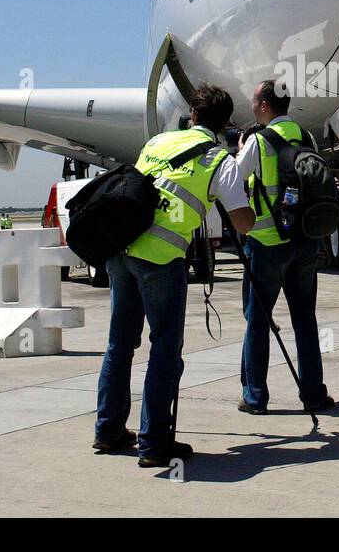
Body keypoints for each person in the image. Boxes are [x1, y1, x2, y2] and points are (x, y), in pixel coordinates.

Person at [95, 84, 255, 467]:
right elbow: (243, 223)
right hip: (161, 258)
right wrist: (240, 175)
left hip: (121, 248)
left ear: (193, 116)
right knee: (164, 348)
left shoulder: (157, 142)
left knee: (120, 345)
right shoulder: (220, 160)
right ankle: (154, 442)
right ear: (225, 124)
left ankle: (108, 431)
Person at [234, 79, 333, 415]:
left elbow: (234, 179)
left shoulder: (258, 142)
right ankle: (314, 394)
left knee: (258, 321)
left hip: (266, 244)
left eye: (253, 99)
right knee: (305, 319)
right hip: (305, 243)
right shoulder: (307, 137)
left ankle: (255, 396)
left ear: (264, 105)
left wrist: (240, 150)